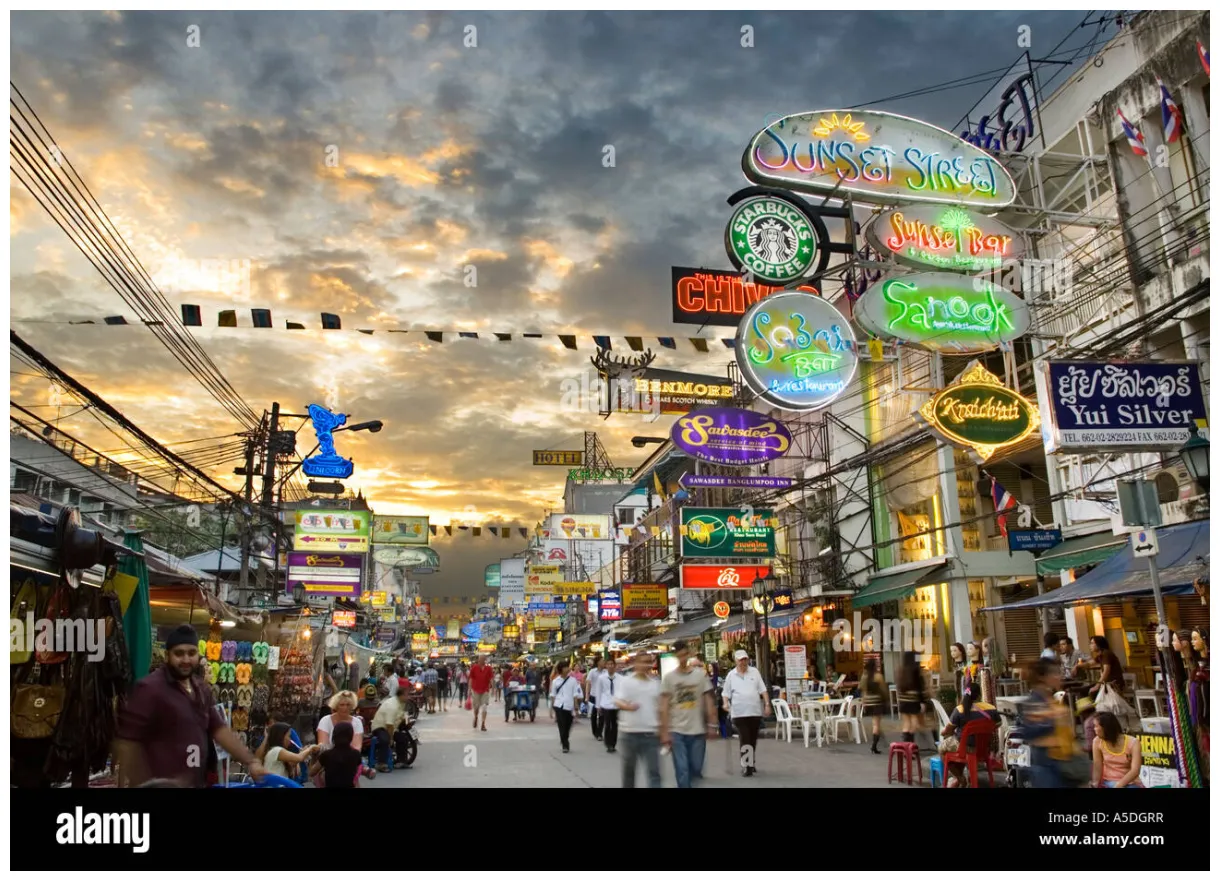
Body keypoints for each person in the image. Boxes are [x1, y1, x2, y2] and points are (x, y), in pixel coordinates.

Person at [114, 625, 266, 787]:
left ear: (198, 655)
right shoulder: (150, 689)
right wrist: (147, 784)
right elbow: (126, 743)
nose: (186, 660)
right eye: (179, 653)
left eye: (191, 653)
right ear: (167, 656)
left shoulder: (201, 689)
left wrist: (251, 761)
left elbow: (219, 729)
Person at [660, 640, 716, 788]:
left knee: (696, 768)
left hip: (697, 730)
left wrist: (712, 724)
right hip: (677, 730)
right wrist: (664, 731)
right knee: (682, 769)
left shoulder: (700, 675)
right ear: (675, 657)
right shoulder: (669, 678)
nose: (683, 659)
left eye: (685, 655)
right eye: (679, 656)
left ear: (689, 654)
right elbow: (664, 706)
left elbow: (708, 700)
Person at [1020, 659, 1080, 789]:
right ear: (1043, 677)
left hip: (1062, 764)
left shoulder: (1050, 699)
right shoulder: (1035, 702)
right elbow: (1031, 733)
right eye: (1055, 673)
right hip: (1047, 765)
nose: (1059, 676)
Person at [937, 682, 1000, 787]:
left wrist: (943, 732)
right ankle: (960, 780)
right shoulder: (991, 708)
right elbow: (998, 724)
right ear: (980, 695)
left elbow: (948, 730)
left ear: (965, 694)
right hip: (983, 749)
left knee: (941, 748)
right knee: (955, 745)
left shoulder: (960, 709)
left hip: (965, 748)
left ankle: (960, 778)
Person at [617, 650, 663, 788]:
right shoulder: (626, 682)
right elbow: (618, 701)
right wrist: (627, 706)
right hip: (629, 733)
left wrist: (663, 728)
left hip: (650, 734)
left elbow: (660, 708)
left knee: (654, 772)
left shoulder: (655, 684)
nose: (647, 665)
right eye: (643, 662)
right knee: (629, 773)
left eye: (649, 662)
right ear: (635, 663)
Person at [722, 649, 770, 777]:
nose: (743, 662)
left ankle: (751, 762)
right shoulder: (731, 675)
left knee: (752, 739)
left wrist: (767, 704)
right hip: (739, 712)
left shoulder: (754, 672)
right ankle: (746, 765)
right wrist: (725, 703)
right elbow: (725, 693)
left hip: (754, 712)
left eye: (745, 659)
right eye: (741, 660)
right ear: (736, 661)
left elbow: (763, 690)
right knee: (745, 738)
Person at [1091, 710, 1143, 788]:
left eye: (1096, 726)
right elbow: (1097, 766)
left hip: (1130, 782)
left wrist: (1119, 785)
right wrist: (1095, 783)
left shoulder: (1133, 743)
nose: (1094, 729)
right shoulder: (1097, 741)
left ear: (1105, 727)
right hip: (1108, 782)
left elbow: (1135, 771)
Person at [370, 686, 410, 772]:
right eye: (406, 695)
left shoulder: (401, 703)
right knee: (385, 739)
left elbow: (400, 716)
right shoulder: (392, 705)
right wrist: (391, 738)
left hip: (391, 727)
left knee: (403, 737)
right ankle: (381, 764)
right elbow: (389, 725)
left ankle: (401, 761)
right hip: (380, 727)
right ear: (401, 696)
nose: (408, 697)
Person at [314, 721, 363, 789]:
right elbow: (357, 771)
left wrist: (313, 756)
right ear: (351, 736)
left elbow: (312, 772)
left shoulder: (326, 755)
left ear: (334, 735)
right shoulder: (356, 754)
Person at [549, 660, 584, 753]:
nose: (568, 668)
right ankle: (565, 744)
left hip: (569, 706)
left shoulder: (573, 681)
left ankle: (564, 738)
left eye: (568, 667)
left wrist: (576, 707)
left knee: (568, 725)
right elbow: (553, 695)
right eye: (565, 667)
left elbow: (575, 695)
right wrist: (552, 708)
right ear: (561, 669)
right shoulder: (555, 681)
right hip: (559, 705)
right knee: (561, 725)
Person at [896, 651, 928, 744]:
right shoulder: (915, 670)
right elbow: (919, 687)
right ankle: (910, 745)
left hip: (903, 700)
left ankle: (906, 745)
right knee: (914, 722)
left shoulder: (901, 670)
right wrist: (922, 701)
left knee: (906, 723)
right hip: (913, 700)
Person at [859, 657, 887, 754]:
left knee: (874, 723)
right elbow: (883, 689)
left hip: (869, 702)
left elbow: (863, 690)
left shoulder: (864, 676)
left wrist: (864, 701)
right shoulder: (878, 676)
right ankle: (874, 746)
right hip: (877, 702)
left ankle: (877, 738)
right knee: (876, 724)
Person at [594, 657, 621, 753]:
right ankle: (608, 743)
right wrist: (598, 706)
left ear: (615, 666)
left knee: (615, 725)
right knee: (607, 724)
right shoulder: (601, 678)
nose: (610, 666)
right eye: (608, 664)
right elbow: (598, 691)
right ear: (606, 666)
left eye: (612, 664)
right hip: (605, 704)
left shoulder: (620, 678)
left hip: (616, 704)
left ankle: (613, 743)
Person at [468, 653, 494, 731]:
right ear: (478, 659)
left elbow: (491, 678)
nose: (482, 660)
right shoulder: (474, 668)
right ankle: (476, 717)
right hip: (476, 690)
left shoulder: (488, 668)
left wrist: (493, 688)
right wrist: (469, 689)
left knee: (484, 707)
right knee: (476, 708)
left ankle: (483, 723)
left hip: (485, 690)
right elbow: (471, 679)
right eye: (481, 659)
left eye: (484, 659)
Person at [587, 657, 606, 741]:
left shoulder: (606, 672)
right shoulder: (592, 672)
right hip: (594, 695)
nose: (604, 662)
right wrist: (587, 696)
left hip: (603, 696)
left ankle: (599, 733)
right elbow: (588, 684)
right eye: (602, 661)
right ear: (598, 663)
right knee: (594, 715)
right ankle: (595, 731)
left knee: (602, 715)